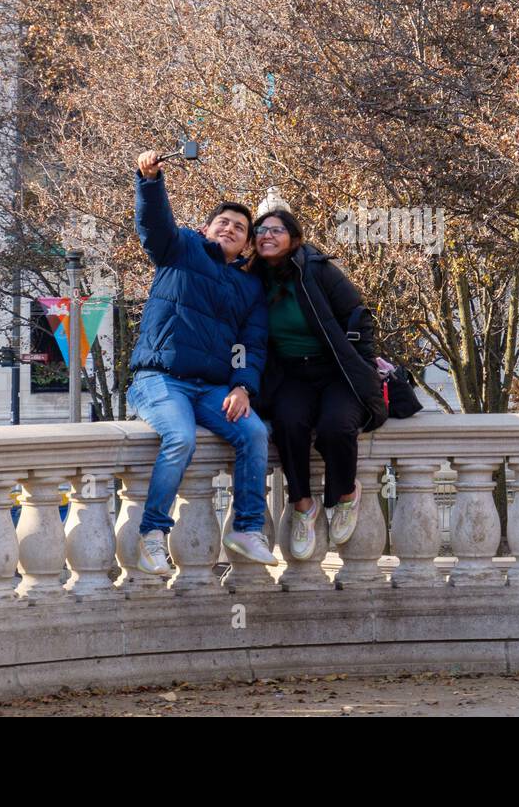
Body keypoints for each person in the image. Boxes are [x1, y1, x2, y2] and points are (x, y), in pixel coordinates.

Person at [127, 149, 274, 576]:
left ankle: (247, 529)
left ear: (247, 245)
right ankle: (152, 535)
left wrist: (243, 387)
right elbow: (153, 226)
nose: (230, 228)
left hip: (210, 389)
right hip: (159, 379)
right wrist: (149, 180)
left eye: (240, 228)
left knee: (253, 432)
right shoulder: (182, 249)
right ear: (207, 228)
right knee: (180, 438)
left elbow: (252, 344)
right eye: (223, 222)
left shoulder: (249, 290)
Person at [250, 207, 387, 561]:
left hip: (337, 371)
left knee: (336, 427)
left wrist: (362, 362)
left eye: (276, 230)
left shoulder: (317, 269)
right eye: (261, 229)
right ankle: (302, 506)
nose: (267, 235)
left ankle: (344, 495)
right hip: (292, 374)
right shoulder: (252, 277)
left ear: (294, 238)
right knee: (288, 425)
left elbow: (358, 315)